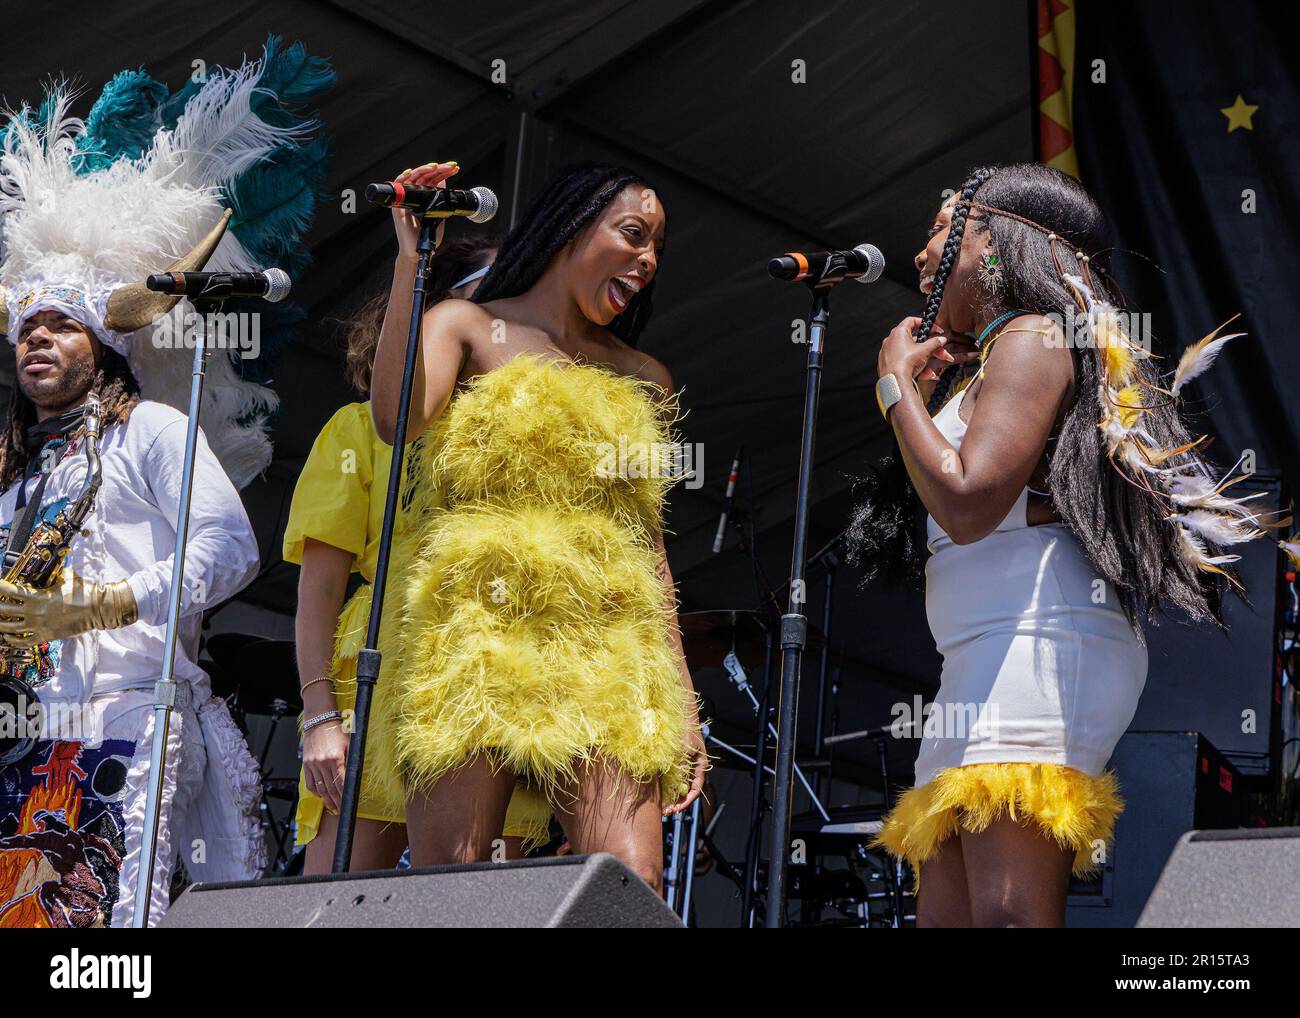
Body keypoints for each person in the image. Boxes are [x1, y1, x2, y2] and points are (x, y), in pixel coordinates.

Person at [851, 163, 1270, 927]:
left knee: (1010, 917)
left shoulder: (1034, 336)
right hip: (979, 657)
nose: (921, 253)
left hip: (1039, 644)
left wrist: (893, 388)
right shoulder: (996, 355)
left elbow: (971, 499)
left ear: (999, 243)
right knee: (948, 917)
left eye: (944, 228)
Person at [0, 40, 329, 926]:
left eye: (61, 327)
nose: (37, 341)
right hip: (23, 730)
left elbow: (231, 553)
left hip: (129, 721)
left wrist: (97, 607)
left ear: (104, 345)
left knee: (98, 939)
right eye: (25, 329)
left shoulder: (149, 428)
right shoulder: (13, 470)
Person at [370, 161, 708, 892]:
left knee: (631, 879)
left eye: (657, 248)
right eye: (633, 234)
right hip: (475, 627)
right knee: (453, 888)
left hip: (607, 640)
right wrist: (410, 259)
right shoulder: (465, 325)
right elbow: (397, 419)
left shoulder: (644, 375)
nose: (648, 260)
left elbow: (647, 544)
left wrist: (681, 701)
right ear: (573, 225)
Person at [285, 225, 553, 870]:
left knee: (474, 902)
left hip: (492, 685)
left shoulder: (531, 436)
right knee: (335, 905)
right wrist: (320, 717)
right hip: (376, 685)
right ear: (439, 311)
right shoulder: (359, 429)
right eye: (489, 297)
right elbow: (319, 589)